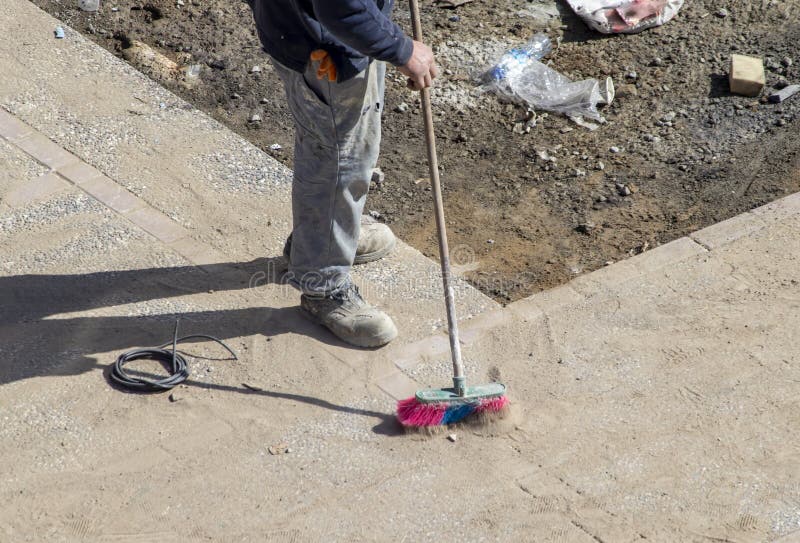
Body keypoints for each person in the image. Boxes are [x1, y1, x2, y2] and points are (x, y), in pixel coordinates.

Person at [248, 1, 438, 348]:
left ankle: (319, 242)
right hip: (326, 43)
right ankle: (322, 282)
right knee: (339, 160)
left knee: (340, 150)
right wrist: (402, 49)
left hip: (306, 25)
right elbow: (342, 7)